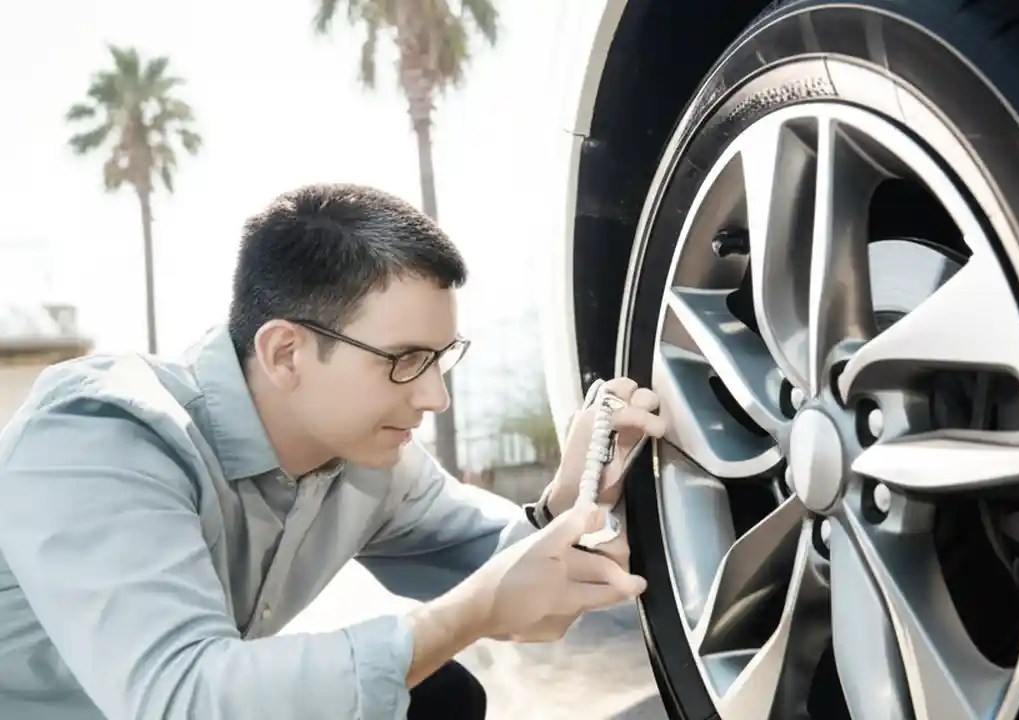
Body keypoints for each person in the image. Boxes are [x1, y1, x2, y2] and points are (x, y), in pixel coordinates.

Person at [0, 183, 665, 720]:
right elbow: (185, 699)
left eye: (440, 360)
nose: (435, 397)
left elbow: (511, 578)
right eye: (404, 360)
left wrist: (571, 497)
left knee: (434, 696)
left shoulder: (366, 463)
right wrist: (471, 615)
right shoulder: (99, 437)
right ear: (285, 352)